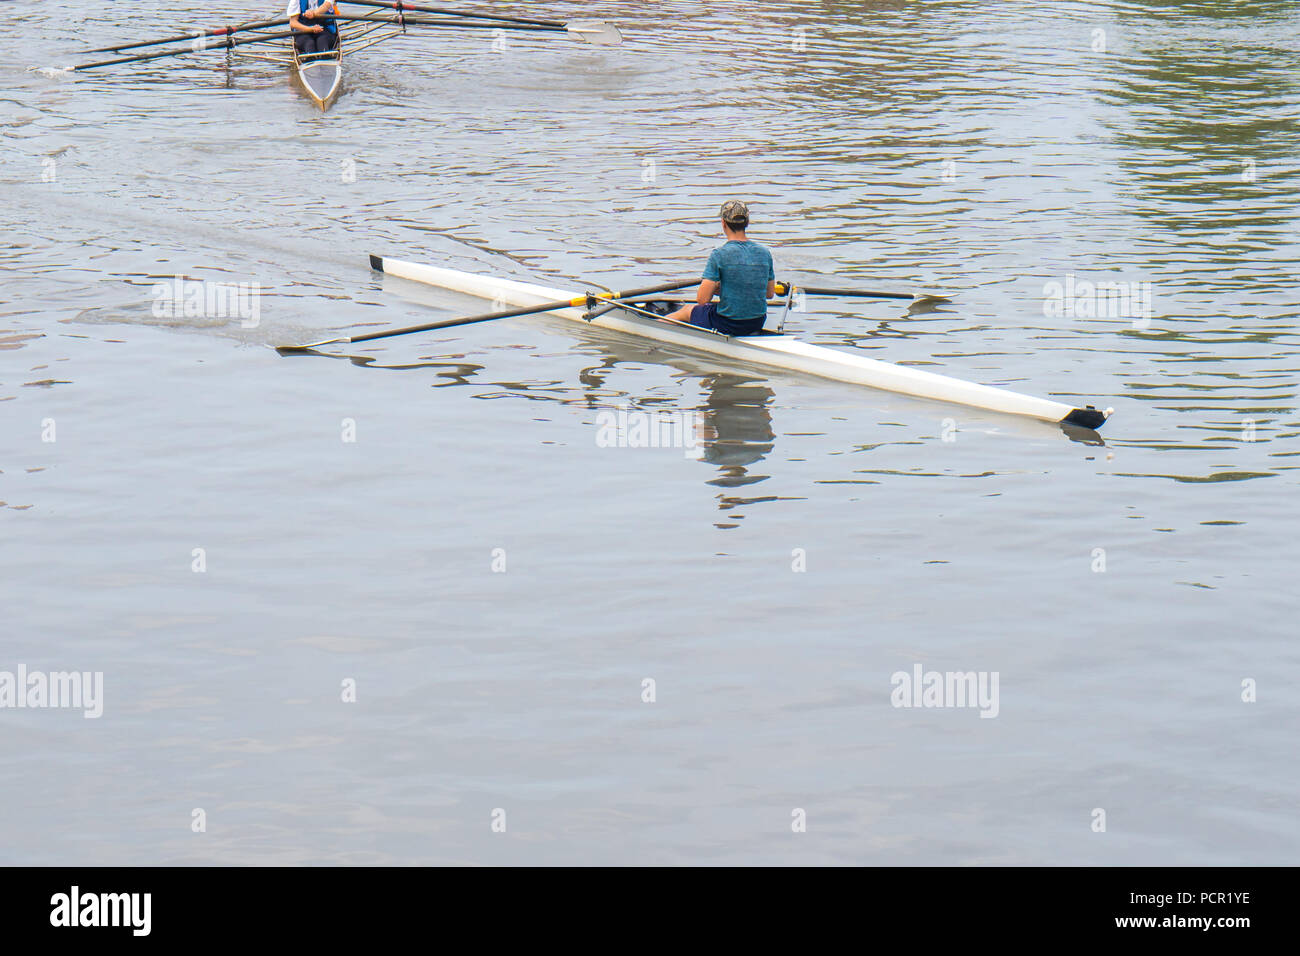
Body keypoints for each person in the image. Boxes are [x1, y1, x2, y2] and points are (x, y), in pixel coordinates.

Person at [665, 201, 775, 336]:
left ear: (723, 223)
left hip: (727, 323)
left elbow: (702, 300)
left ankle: (654, 327)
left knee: (686, 310)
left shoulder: (719, 255)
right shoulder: (765, 253)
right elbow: (769, 294)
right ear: (747, 222)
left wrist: (715, 288)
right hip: (757, 322)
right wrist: (727, 289)